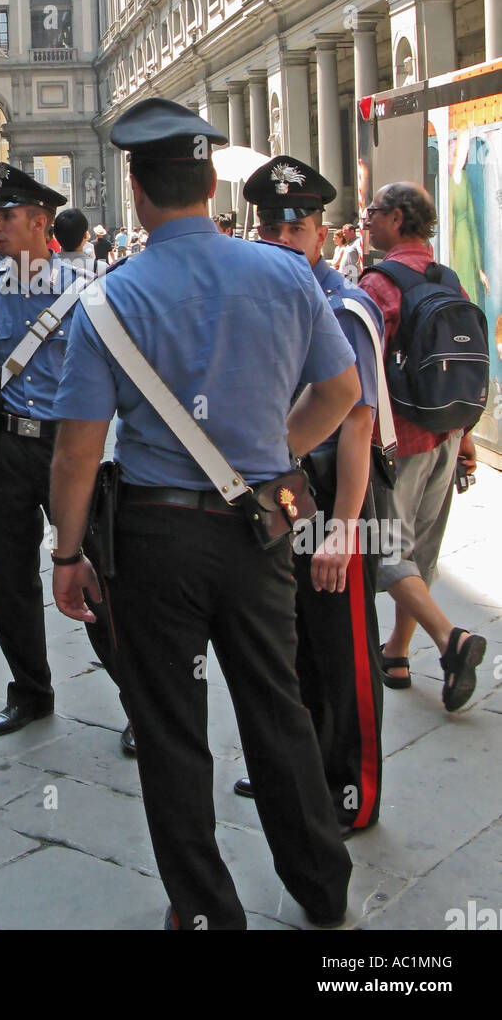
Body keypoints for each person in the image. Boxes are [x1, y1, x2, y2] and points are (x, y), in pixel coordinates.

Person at [49, 98, 360, 930]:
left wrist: (67, 554)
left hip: (155, 539)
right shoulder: (288, 274)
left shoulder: (108, 301)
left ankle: (204, 909)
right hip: (260, 530)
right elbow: (342, 393)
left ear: (137, 189)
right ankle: (323, 889)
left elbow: (78, 452)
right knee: (277, 706)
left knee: (170, 725)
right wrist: (274, 456)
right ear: (207, 182)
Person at [0, 163, 126, 746]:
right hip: (6, 450)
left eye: (5, 216)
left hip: (70, 451)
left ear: (41, 223)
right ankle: (30, 693)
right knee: (8, 575)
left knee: (98, 573)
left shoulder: (87, 292)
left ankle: (139, 698)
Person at [239, 157, 386, 837]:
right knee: (291, 645)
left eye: (296, 226)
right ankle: (302, 770)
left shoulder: (343, 307)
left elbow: (356, 425)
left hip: (333, 495)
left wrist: (344, 530)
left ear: (321, 234)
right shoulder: (268, 300)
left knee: (343, 651)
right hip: (282, 496)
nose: (283, 236)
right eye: (271, 225)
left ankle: (352, 788)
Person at [360, 182, 486, 711]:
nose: (364, 220)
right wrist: (467, 436)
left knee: (387, 549)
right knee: (423, 551)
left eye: (372, 213)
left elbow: (363, 367)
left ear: (396, 219)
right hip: (447, 431)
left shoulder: (378, 282)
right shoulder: (449, 277)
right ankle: (397, 651)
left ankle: (449, 639)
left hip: (397, 440)